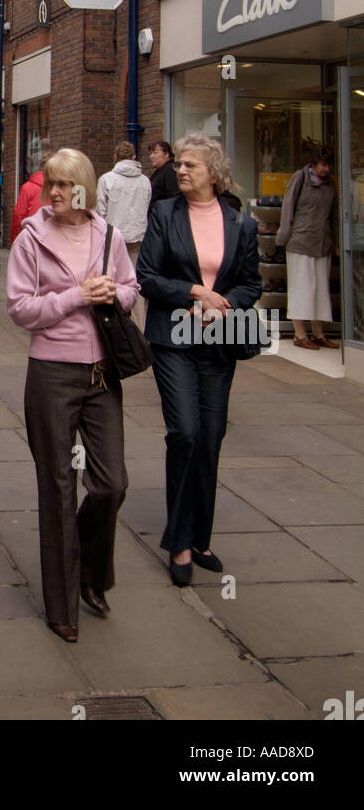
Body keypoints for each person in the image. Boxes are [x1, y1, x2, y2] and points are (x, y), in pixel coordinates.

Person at [7, 147, 137, 642]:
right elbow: (20, 309)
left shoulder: (110, 236)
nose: (55, 193)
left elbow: (131, 287)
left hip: (102, 373)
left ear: (84, 187)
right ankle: (62, 607)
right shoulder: (31, 239)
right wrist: (75, 296)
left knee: (111, 483)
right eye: (50, 185)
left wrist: (113, 293)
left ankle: (89, 570)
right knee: (58, 487)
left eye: (65, 185)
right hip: (52, 373)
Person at [137, 133, 261, 587]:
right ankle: (180, 541)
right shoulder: (164, 214)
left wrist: (222, 303)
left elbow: (252, 285)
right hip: (173, 339)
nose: (181, 170)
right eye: (180, 165)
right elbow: (146, 276)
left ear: (214, 173)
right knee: (185, 432)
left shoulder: (240, 224)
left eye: (191, 165)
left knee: (211, 437)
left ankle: (200, 537)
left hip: (218, 341)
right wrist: (193, 291)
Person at [275, 145, 337, 350]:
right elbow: (288, 208)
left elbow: (334, 216)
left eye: (328, 165)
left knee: (320, 290)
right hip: (300, 242)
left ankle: (318, 333)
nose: (326, 169)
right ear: (314, 163)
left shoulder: (330, 185)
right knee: (301, 288)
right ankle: (299, 334)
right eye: (323, 164)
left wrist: (336, 243)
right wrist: (282, 239)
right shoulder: (300, 178)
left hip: (322, 244)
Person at [96, 141, 152, 330]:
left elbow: (100, 211)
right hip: (138, 237)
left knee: (111, 281)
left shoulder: (107, 179)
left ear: (115, 157)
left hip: (113, 237)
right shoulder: (145, 181)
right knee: (135, 283)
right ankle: (139, 328)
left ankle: (114, 325)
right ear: (134, 157)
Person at [10, 143, 51, 242]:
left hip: (32, 238)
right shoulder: (61, 189)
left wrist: (16, 241)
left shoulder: (28, 187)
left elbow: (18, 216)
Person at [148, 139, 179, 209]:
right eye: (151, 153)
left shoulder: (170, 170)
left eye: (155, 153)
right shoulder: (160, 171)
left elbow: (173, 196)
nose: (151, 156)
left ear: (166, 154)